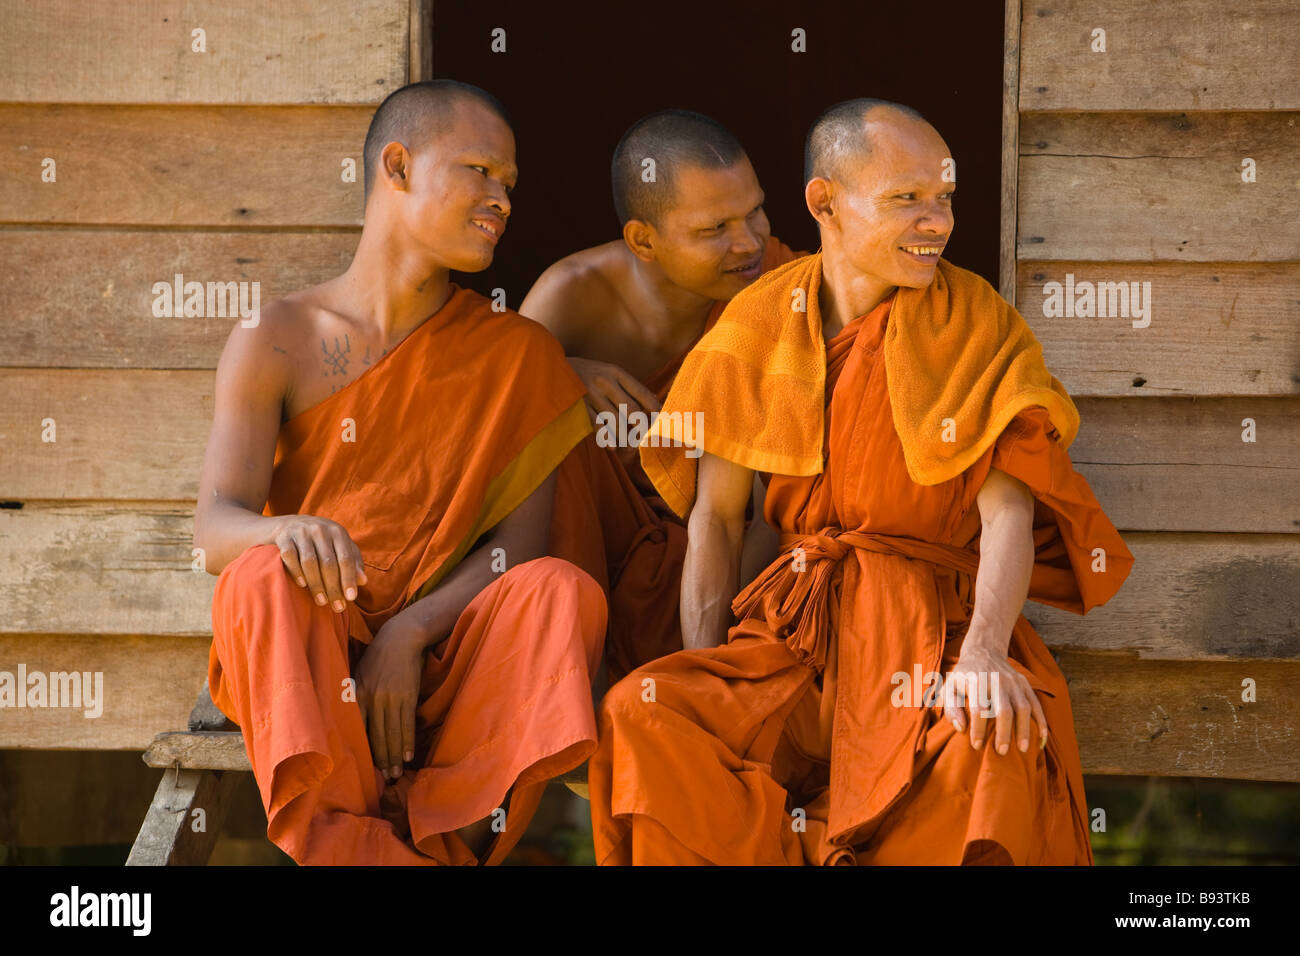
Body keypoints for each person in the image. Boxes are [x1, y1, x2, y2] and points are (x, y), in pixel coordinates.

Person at [587, 98, 1135, 865]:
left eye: (944, 197)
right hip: (797, 639)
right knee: (648, 716)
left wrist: (983, 653)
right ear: (824, 201)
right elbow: (715, 521)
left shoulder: (977, 320)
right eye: (906, 199)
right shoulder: (756, 321)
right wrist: (707, 668)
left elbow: (1008, 511)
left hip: (937, 635)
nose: (936, 222)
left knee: (994, 738)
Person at [194, 80, 606, 866]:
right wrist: (286, 529)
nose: (502, 199)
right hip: (314, 646)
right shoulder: (278, 335)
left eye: (510, 184)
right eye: (480, 169)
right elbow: (216, 527)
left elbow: (515, 554)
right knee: (255, 578)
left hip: (447, 661)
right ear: (398, 165)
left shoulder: (518, 351)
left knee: (562, 592)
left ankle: (445, 842)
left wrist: (411, 633)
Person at [523, 110, 794, 680]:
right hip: (592, 559)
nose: (748, 242)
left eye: (754, 212)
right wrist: (554, 370)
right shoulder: (570, 297)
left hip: (726, 553)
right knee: (548, 429)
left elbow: (779, 495)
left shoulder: (778, 282)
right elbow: (496, 441)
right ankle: (568, 678)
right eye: (713, 229)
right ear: (644, 239)